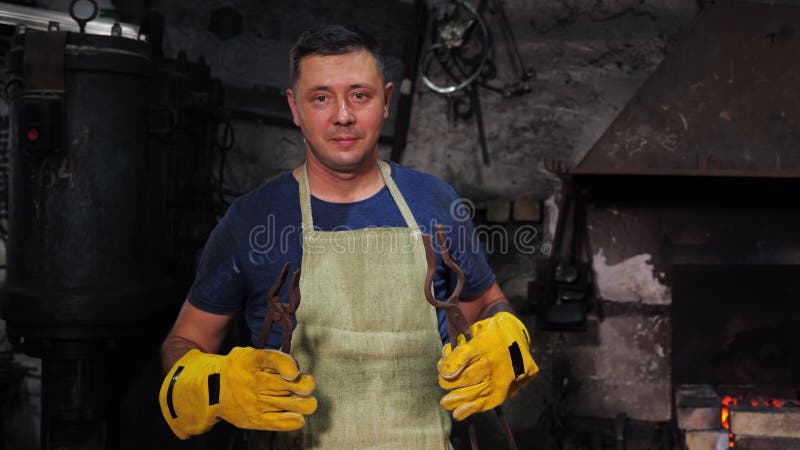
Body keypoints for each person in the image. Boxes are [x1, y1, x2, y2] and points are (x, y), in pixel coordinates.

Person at [158, 24, 538, 449]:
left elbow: (485, 305)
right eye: (321, 97)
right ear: (295, 108)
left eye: (360, 95)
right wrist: (206, 383)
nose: (343, 115)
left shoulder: (434, 200)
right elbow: (186, 339)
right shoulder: (250, 219)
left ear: (386, 101)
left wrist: (508, 332)